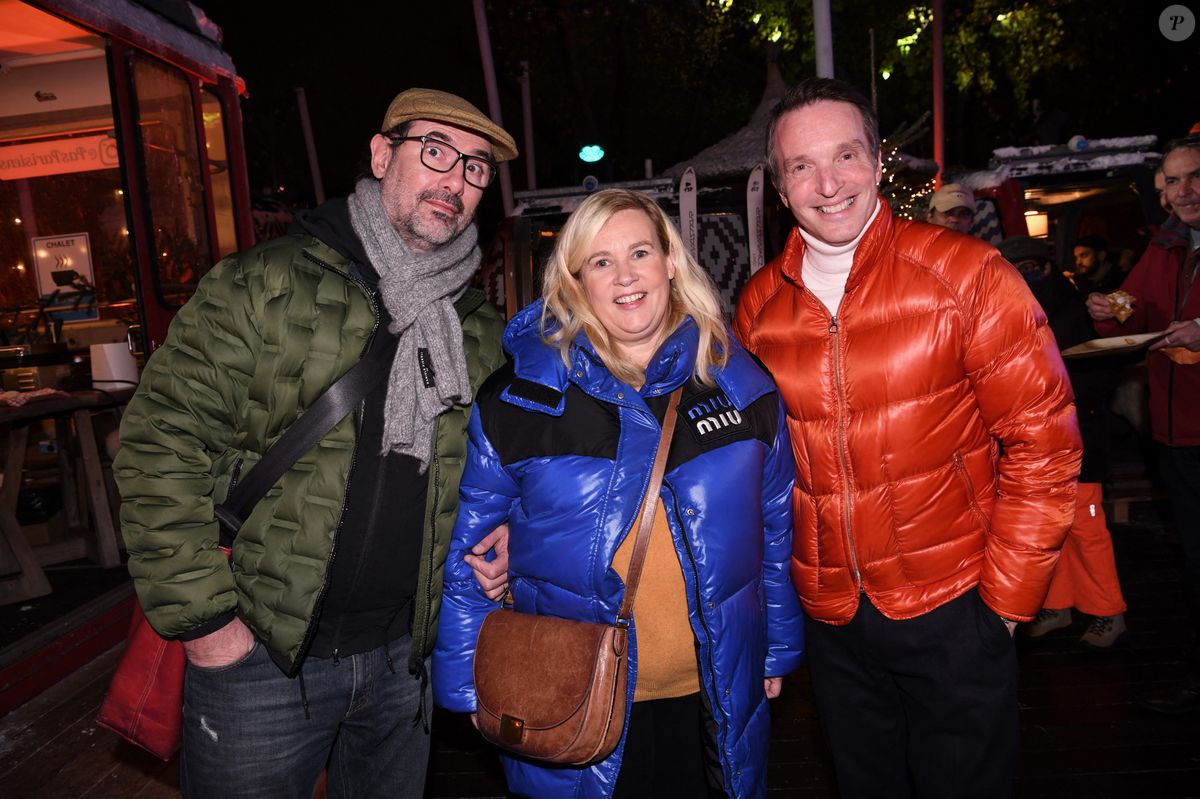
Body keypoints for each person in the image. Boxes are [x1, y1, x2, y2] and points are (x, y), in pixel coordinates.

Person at [114, 88, 516, 797]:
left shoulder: (479, 328)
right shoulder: (265, 283)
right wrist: (209, 624)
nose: (456, 179)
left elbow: (493, 468)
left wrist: (510, 527)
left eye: (477, 167)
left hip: (404, 662)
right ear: (380, 153)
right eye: (435, 151)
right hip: (260, 658)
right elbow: (159, 445)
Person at [733, 78, 1082, 797]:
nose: (827, 184)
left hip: (957, 609)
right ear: (779, 185)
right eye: (802, 166)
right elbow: (751, 466)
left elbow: (1045, 444)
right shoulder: (760, 305)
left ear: (877, 161)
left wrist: (1005, 608)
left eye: (846, 156)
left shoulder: (967, 273)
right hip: (831, 618)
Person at [433, 188, 806, 799]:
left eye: (640, 252)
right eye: (601, 261)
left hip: (709, 691)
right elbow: (469, 559)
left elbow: (773, 533)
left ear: (671, 263)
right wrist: (470, 688)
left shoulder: (741, 384)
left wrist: (776, 652)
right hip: (570, 694)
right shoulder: (517, 402)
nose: (625, 276)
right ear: (576, 280)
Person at [1087, 134, 1200, 714]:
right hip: (1176, 433)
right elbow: (1134, 310)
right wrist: (1108, 308)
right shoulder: (1167, 245)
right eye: (1174, 181)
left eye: (1195, 176)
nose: (1185, 191)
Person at [999, 235, 1127, 649]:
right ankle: (1059, 604)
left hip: (1077, 439)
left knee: (1087, 528)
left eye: (1028, 268)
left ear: (1045, 268)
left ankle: (1107, 611)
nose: (1023, 277)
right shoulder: (1013, 310)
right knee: (1049, 527)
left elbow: (1102, 369)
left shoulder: (1075, 309)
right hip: (1032, 442)